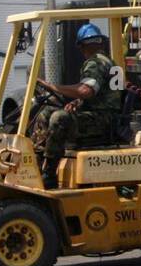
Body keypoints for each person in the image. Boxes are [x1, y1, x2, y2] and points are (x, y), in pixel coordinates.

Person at [33, 23, 124, 188]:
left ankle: (48, 172)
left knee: (58, 118)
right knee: (46, 113)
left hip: (102, 121)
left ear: (82, 47)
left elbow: (85, 90)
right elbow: (98, 95)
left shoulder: (96, 63)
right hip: (103, 116)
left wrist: (54, 87)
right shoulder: (107, 61)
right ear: (101, 43)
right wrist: (77, 103)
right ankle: (39, 164)